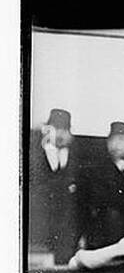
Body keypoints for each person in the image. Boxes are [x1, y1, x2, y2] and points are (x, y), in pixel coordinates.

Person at [28, 107, 81, 263]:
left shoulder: (74, 153)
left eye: (64, 129)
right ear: (46, 130)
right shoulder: (34, 150)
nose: (59, 134)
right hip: (41, 212)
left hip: (64, 216)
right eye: (55, 128)